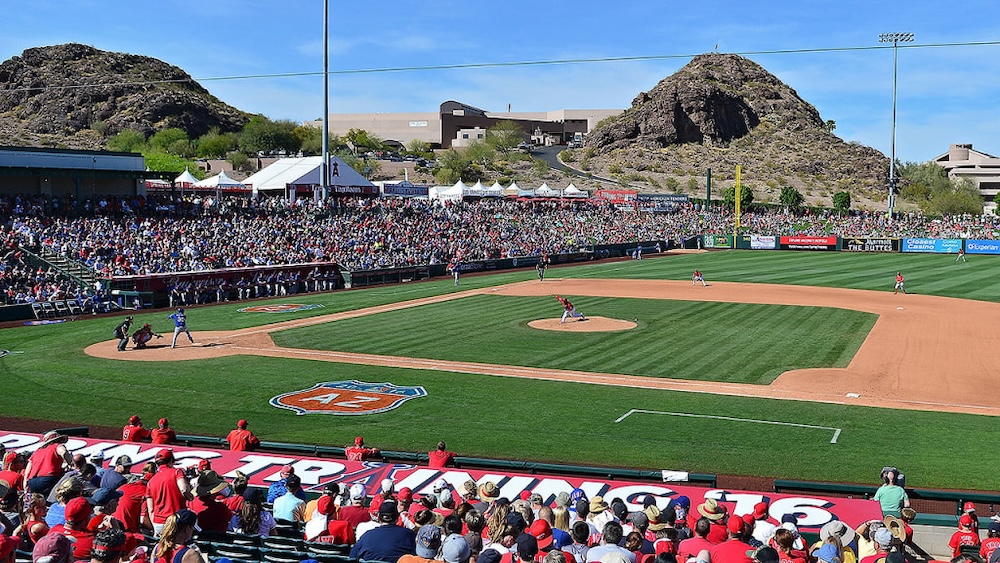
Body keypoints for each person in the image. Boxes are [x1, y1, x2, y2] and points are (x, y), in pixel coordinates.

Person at [349, 500, 417, 563]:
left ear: (378, 517)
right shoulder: (410, 535)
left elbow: (352, 557)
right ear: (397, 517)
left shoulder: (367, 536)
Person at [145, 449, 192, 537]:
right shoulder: (177, 472)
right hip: (176, 521)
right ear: (171, 461)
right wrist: (190, 497)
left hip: (158, 523)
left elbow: (150, 509)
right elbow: (184, 489)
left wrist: (155, 527)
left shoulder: (150, 482)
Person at [24, 432, 73, 498]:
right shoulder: (57, 446)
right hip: (48, 479)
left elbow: (28, 470)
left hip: (32, 482)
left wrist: (25, 482)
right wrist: (70, 463)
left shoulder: (37, 451)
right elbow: (63, 452)